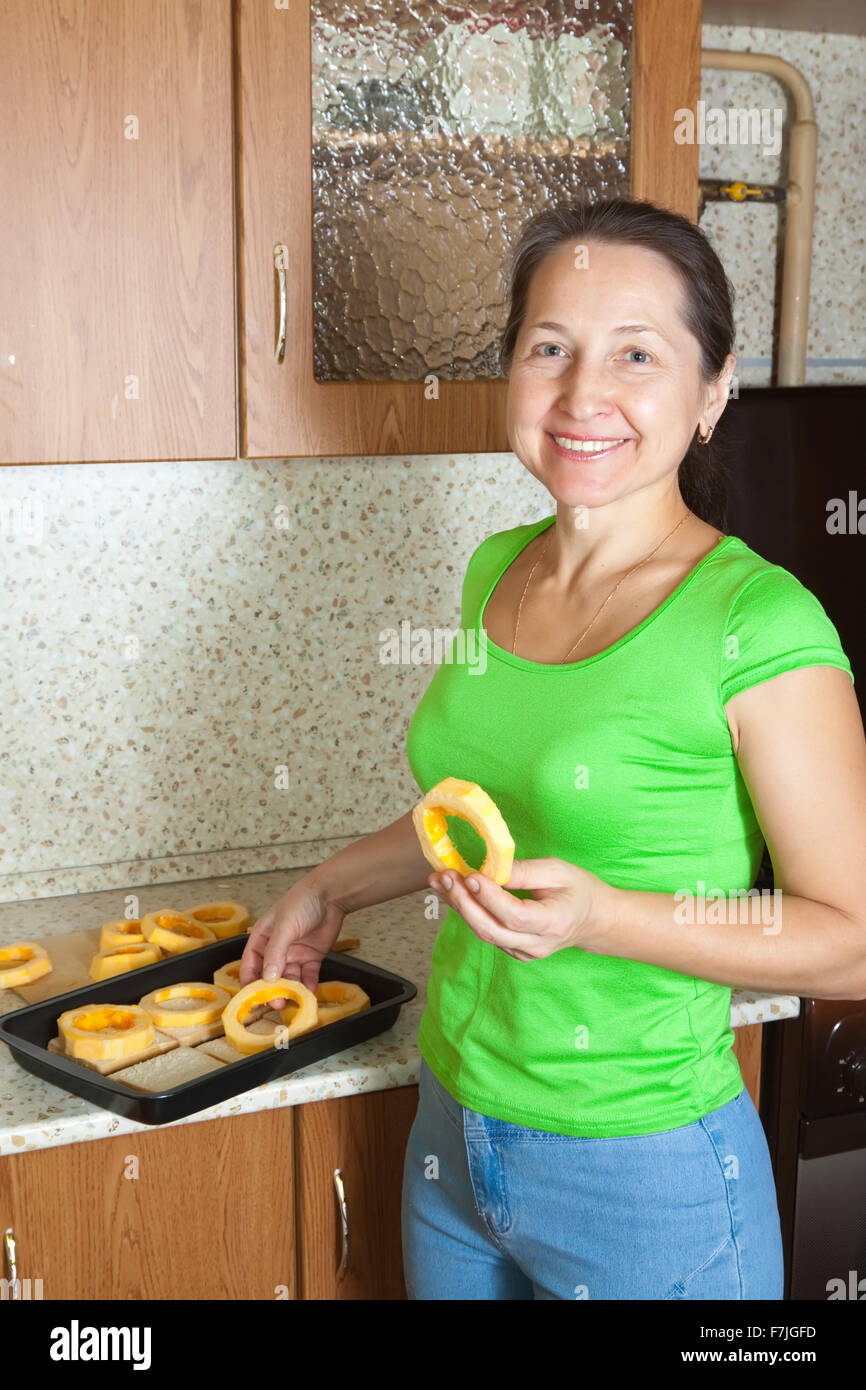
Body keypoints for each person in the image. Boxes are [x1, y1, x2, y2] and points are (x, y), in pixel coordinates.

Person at [239, 198, 866, 1300]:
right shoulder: (498, 568)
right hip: (454, 1126)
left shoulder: (757, 626)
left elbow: (851, 940)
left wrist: (602, 918)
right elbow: (479, 812)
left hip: (641, 1174)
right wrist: (328, 886)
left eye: (636, 353)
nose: (582, 395)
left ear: (712, 390)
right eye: (548, 348)